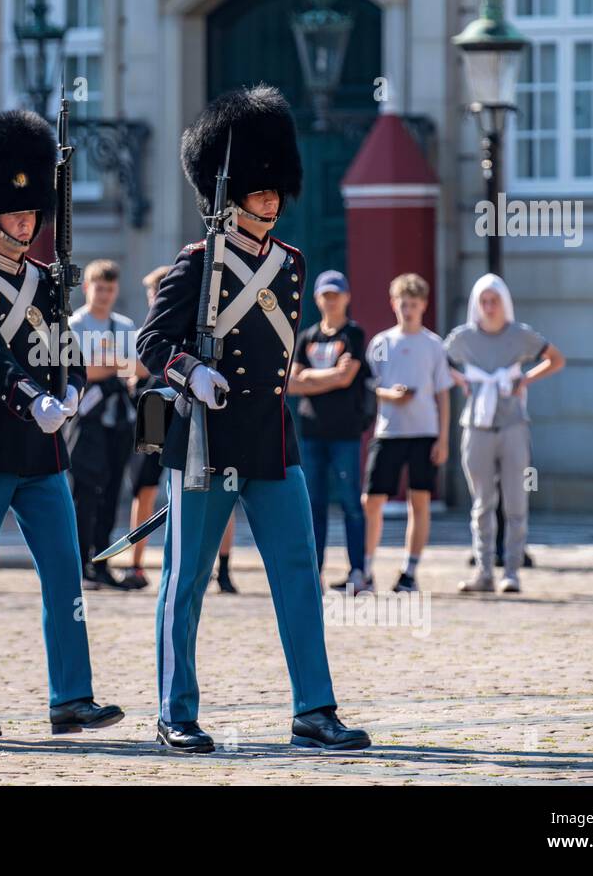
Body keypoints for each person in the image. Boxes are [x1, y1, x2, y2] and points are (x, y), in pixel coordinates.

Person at [137, 84, 369, 753]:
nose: (269, 199)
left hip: (272, 440)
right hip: (206, 441)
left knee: (298, 571)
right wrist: (192, 370)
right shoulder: (196, 262)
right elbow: (151, 343)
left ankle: (313, 707)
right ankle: (175, 710)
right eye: (256, 190)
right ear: (228, 192)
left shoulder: (291, 265)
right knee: (185, 582)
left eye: (274, 190)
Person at [0, 109, 125, 737]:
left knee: (64, 573)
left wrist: (71, 388)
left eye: (30, 214)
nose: (25, 223)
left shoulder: (49, 282)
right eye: (14, 215)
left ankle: (71, 694)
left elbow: (64, 350)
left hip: (44, 450)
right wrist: (31, 395)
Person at [446, 273, 565, 593]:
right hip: (476, 426)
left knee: (515, 501)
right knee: (482, 503)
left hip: (512, 425)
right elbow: (438, 363)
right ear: (476, 304)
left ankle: (511, 570)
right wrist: (462, 381)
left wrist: (524, 380)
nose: (489, 306)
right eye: (483, 301)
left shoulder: (519, 335)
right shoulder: (462, 338)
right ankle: (484, 571)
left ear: (504, 303)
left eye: (494, 300)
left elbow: (556, 359)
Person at [361, 273, 452, 594]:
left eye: (414, 304)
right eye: (403, 304)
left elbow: (443, 393)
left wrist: (443, 438)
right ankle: (366, 569)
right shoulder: (382, 343)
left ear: (424, 305)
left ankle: (410, 571)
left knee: (420, 501)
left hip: (424, 432)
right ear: (393, 304)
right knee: (371, 500)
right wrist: (390, 394)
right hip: (388, 432)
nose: (408, 310)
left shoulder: (433, 345)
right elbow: (371, 386)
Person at [291, 270, 371, 592]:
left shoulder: (354, 334)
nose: (331, 300)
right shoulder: (307, 336)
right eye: (326, 294)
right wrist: (327, 377)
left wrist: (311, 378)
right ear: (317, 298)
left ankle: (358, 572)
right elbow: (291, 385)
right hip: (312, 431)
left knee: (352, 502)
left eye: (337, 294)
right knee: (314, 505)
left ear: (347, 297)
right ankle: (316, 571)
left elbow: (346, 378)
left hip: (346, 433)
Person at [68, 258, 138, 591]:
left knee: (111, 494)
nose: (105, 294)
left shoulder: (124, 325)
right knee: (84, 492)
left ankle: (102, 562)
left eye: (110, 288)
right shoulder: (74, 325)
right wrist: (115, 364)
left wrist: (106, 364)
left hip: (118, 420)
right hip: (85, 423)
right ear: (87, 288)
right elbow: (79, 371)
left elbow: (140, 368)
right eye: (99, 287)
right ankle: (80, 563)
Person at [122, 264, 171, 590]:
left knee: (200, 488)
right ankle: (136, 565)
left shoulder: (168, 326)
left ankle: (217, 567)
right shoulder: (148, 328)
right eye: (151, 294)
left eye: (156, 293)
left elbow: (136, 367)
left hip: (170, 409)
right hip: (151, 413)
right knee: (145, 489)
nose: (152, 299)